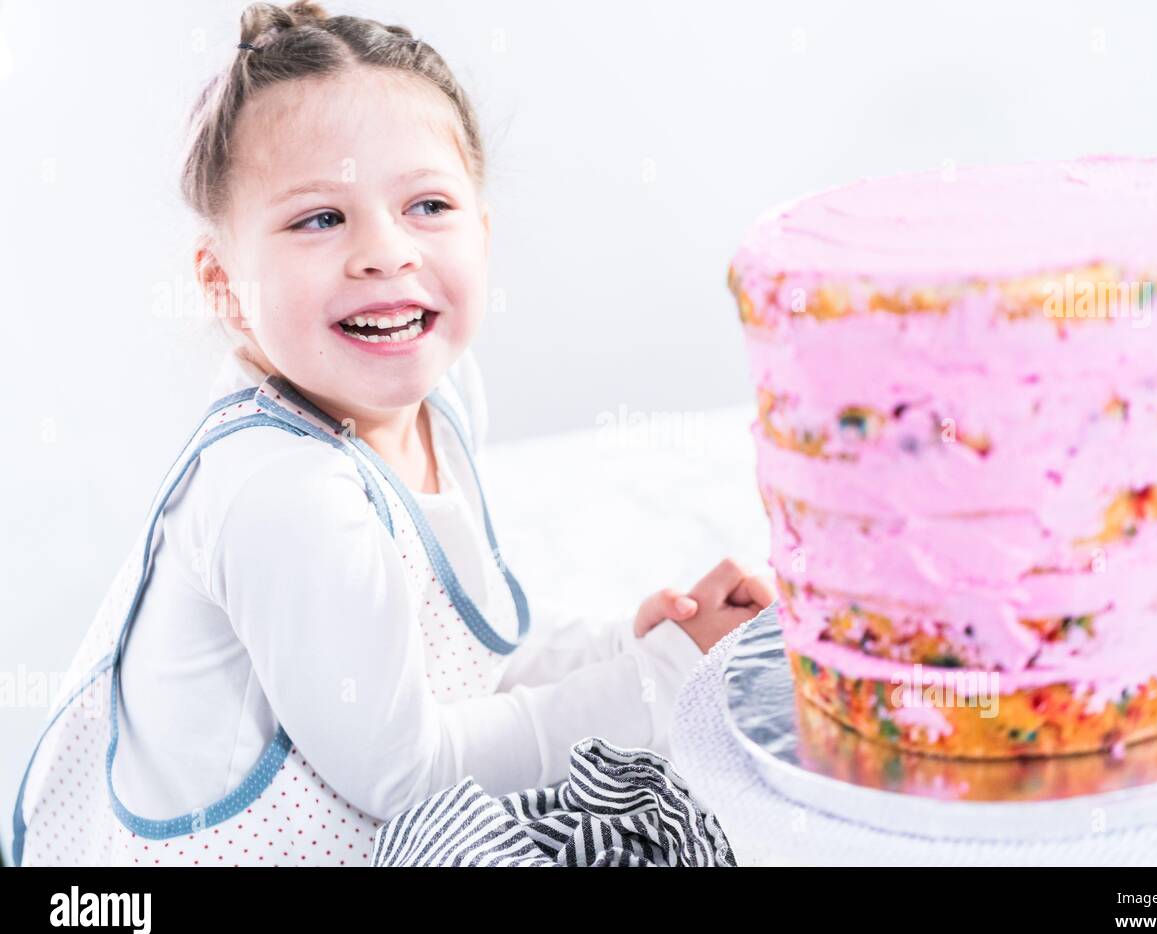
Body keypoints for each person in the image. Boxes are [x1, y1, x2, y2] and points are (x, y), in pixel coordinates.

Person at [11, 0, 774, 866]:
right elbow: (410, 780)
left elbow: (467, 643)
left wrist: (626, 641)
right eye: (320, 219)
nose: (385, 252)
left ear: (481, 238)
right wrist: (660, 680)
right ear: (222, 282)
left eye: (428, 205)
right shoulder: (281, 493)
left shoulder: (444, 398)